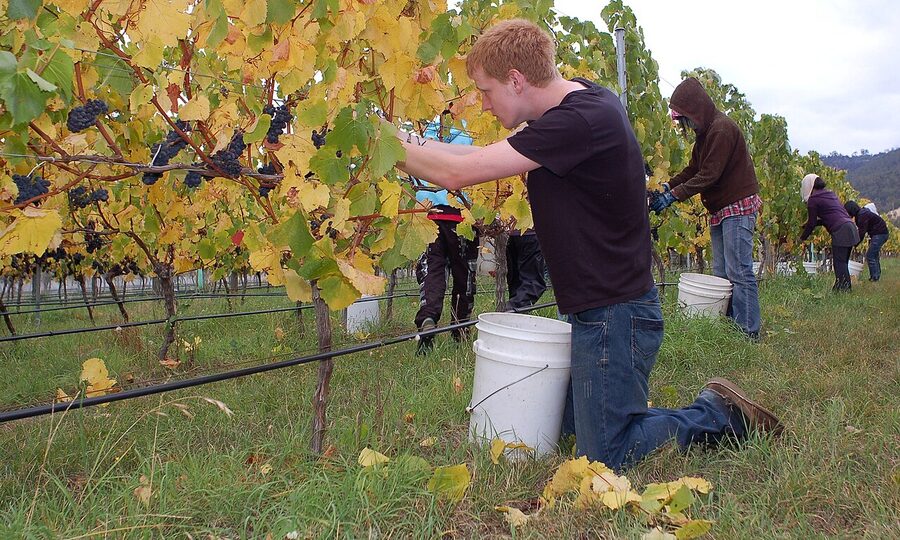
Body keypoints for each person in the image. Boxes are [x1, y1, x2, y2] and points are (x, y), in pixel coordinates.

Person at [392, 19, 781, 470]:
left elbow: (459, 173)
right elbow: (478, 157)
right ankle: (628, 415)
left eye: (486, 90)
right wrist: (406, 141)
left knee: (605, 455)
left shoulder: (576, 123)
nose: (482, 102)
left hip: (616, 317)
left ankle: (717, 415)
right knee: (567, 429)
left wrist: (385, 145)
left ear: (516, 81)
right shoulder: (578, 102)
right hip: (598, 310)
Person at [650, 77, 762, 341]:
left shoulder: (721, 130)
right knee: (722, 272)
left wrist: (673, 196)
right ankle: (731, 327)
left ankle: (748, 331)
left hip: (737, 206)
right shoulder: (706, 134)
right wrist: (668, 186)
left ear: (695, 110)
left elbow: (709, 175)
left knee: (739, 271)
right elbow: (693, 170)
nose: (685, 126)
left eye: (685, 119)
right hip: (721, 209)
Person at [411, 123, 480, 355]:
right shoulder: (468, 129)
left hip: (430, 216)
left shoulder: (425, 133)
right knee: (464, 276)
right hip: (461, 215)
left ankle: (428, 318)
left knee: (432, 271)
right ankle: (460, 330)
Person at [799, 174, 859, 291]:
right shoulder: (830, 194)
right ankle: (841, 288)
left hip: (841, 230)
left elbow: (812, 222)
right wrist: (807, 225)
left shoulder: (813, 200)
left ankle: (843, 290)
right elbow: (827, 217)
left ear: (808, 186)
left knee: (839, 263)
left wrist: (802, 238)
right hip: (850, 227)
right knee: (843, 262)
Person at [844, 200, 890, 281]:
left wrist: (855, 243)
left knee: (870, 255)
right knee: (874, 255)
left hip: (880, 234)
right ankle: (876, 276)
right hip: (881, 233)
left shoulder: (862, 215)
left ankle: (874, 278)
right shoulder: (861, 214)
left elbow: (862, 232)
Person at [505, 228, 547, 310]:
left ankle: (510, 313)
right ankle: (510, 312)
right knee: (528, 283)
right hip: (525, 233)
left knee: (519, 285)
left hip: (512, 233)